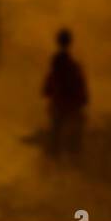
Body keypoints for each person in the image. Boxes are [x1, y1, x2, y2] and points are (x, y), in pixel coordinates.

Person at [41, 28, 88, 159]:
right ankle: (73, 159)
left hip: (59, 104)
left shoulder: (56, 65)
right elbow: (81, 87)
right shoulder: (74, 65)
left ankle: (55, 158)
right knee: (73, 137)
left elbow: (47, 88)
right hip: (71, 105)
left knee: (56, 133)